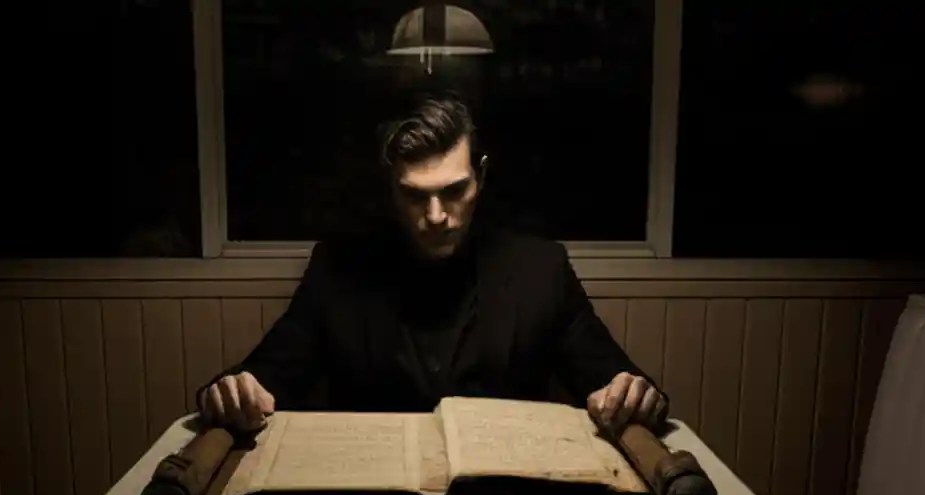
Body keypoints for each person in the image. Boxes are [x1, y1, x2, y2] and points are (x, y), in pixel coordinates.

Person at [198, 93, 666, 432]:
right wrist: (230, 395)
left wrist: (634, 396)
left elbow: (620, 382)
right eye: (414, 195)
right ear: (390, 188)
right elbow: (261, 378)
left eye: (454, 190)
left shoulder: (540, 269)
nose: (437, 216)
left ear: (480, 177)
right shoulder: (338, 269)